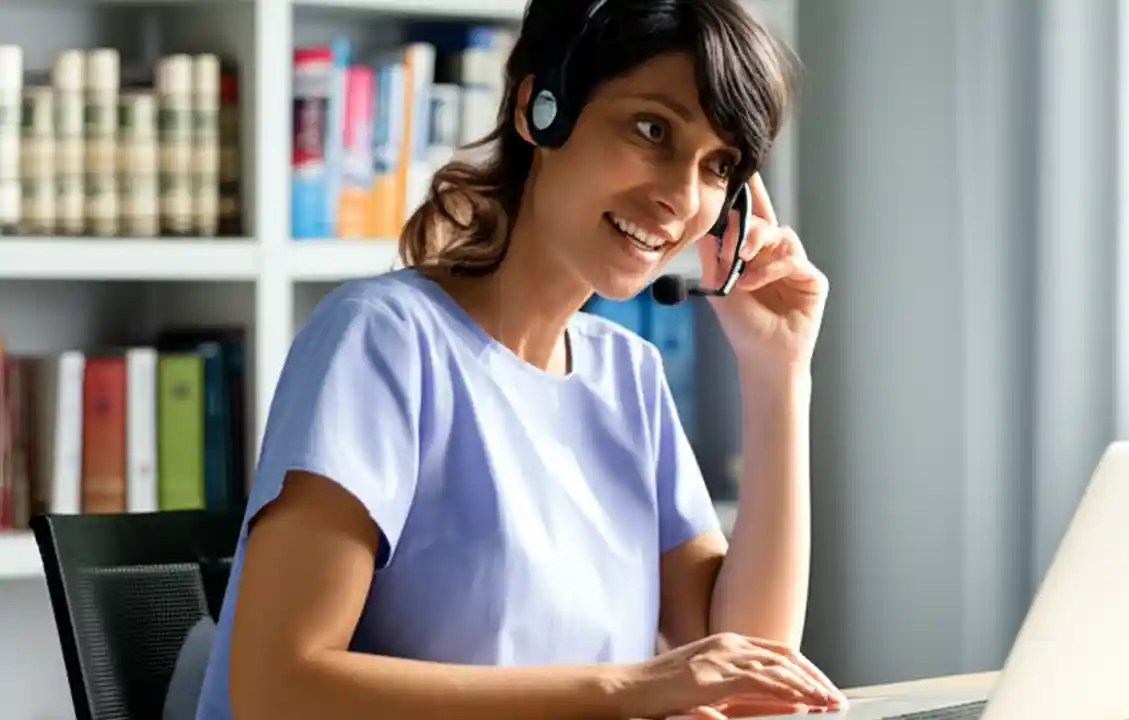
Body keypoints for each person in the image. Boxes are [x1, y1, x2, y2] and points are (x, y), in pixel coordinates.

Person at [196, 1, 839, 718]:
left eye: (718, 166)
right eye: (652, 130)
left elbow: (750, 675)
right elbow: (277, 687)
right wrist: (627, 692)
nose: (681, 198)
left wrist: (778, 373)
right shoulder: (383, 340)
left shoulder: (628, 377)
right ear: (541, 110)